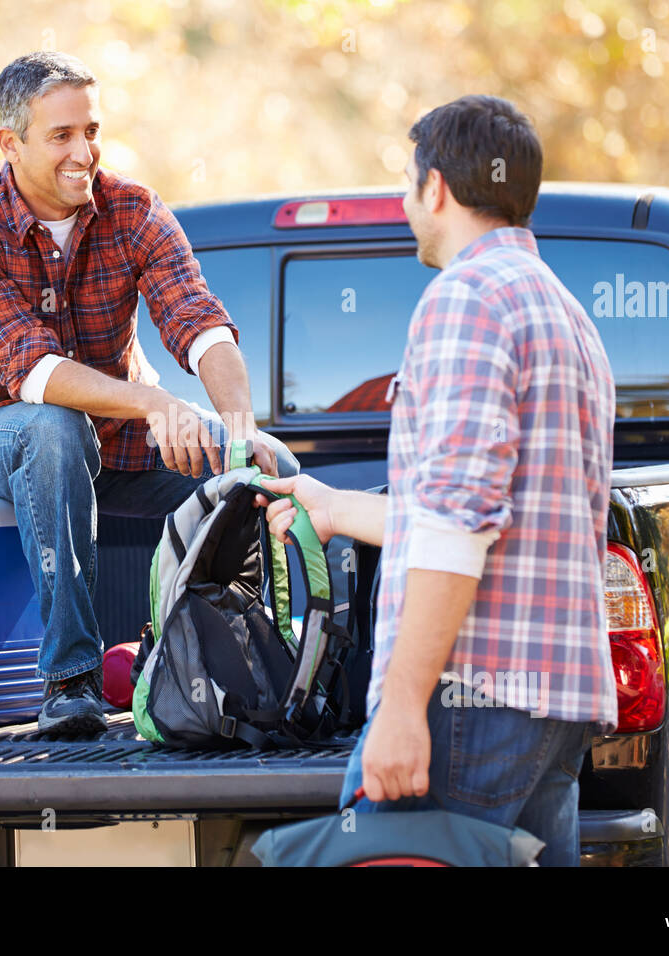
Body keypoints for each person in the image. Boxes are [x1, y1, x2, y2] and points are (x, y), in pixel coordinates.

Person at [256, 95, 617, 866]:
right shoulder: (564, 314)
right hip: (551, 702)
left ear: (438, 189)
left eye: (406, 183)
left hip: (466, 697)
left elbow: (461, 526)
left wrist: (403, 709)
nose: (404, 201)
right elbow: (488, 517)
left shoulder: (467, 299)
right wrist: (337, 507)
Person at [0, 51, 297, 738]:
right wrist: (155, 403)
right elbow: (33, 373)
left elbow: (199, 322)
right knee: (55, 429)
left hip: (116, 445)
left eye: (90, 131)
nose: (83, 151)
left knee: (273, 466)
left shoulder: (133, 209)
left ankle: (258, 670)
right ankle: (70, 682)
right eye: (61, 135)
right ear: (12, 144)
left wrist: (239, 436)